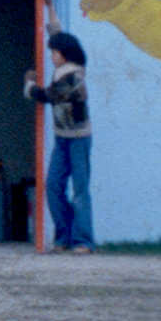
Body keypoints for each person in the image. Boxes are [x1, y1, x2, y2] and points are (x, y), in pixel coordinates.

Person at [27, 32, 95, 252]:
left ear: (64, 54)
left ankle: (83, 240)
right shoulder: (63, 69)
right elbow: (57, 32)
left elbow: (48, 95)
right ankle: (64, 237)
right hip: (62, 137)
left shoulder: (74, 75)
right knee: (54, 186)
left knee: (80, 189)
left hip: (79, 138)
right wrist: (50, 8)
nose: (52, 56)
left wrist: (29, 86)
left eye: (54, 53)